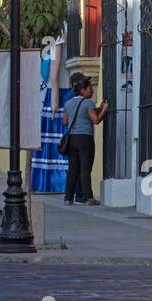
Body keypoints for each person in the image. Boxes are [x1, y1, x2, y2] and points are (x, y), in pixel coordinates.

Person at [62, 73, 106, 206]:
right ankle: (88, 197)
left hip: (72, 140)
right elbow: (96, 120)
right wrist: (103, 110)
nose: (91, 90)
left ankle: (68, 198)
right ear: (82, 90)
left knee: (72, 169)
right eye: (89, 88)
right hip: (85, 139)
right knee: (85, 169)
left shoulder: (68, 103)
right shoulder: (88, 103)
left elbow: (65, 121)